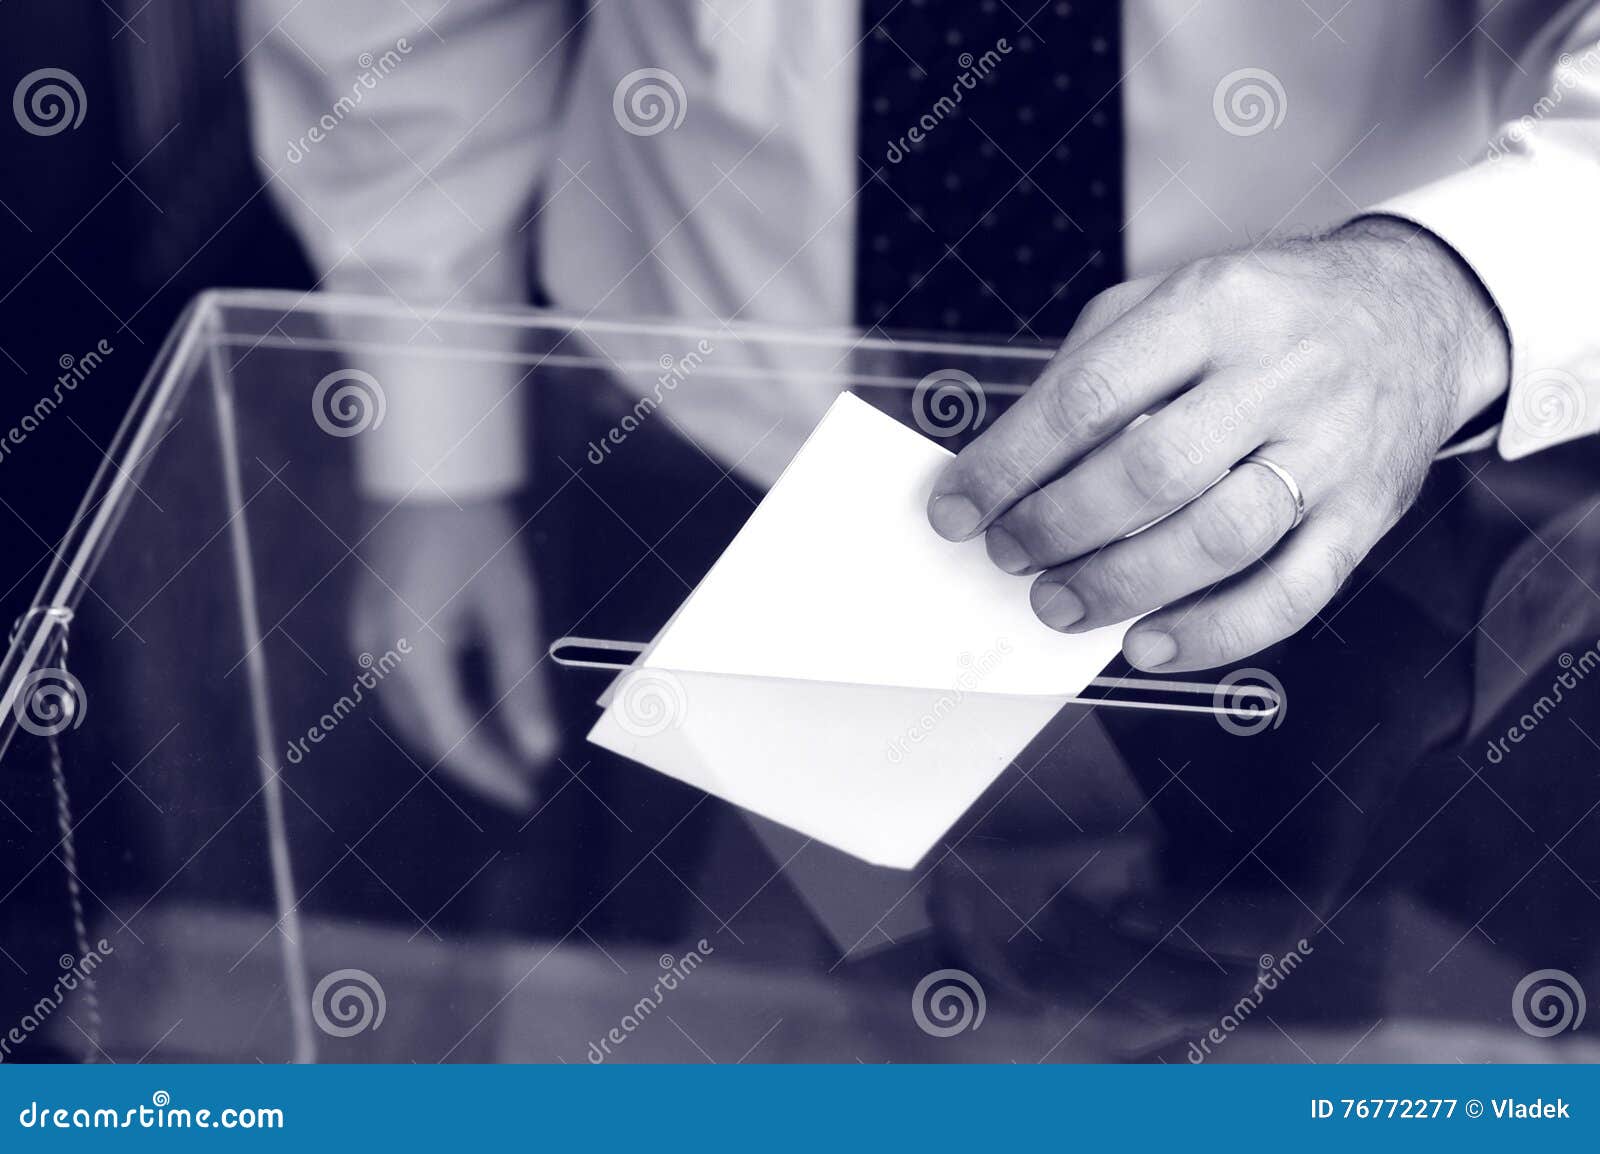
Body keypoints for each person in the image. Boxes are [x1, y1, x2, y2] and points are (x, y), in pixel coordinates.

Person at [241, 0, 1600, 810]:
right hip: (693, 428)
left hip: (1328, 479)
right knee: (747, 1024)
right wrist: (435, 431)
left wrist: (1435, 303)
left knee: (1293, 1037)